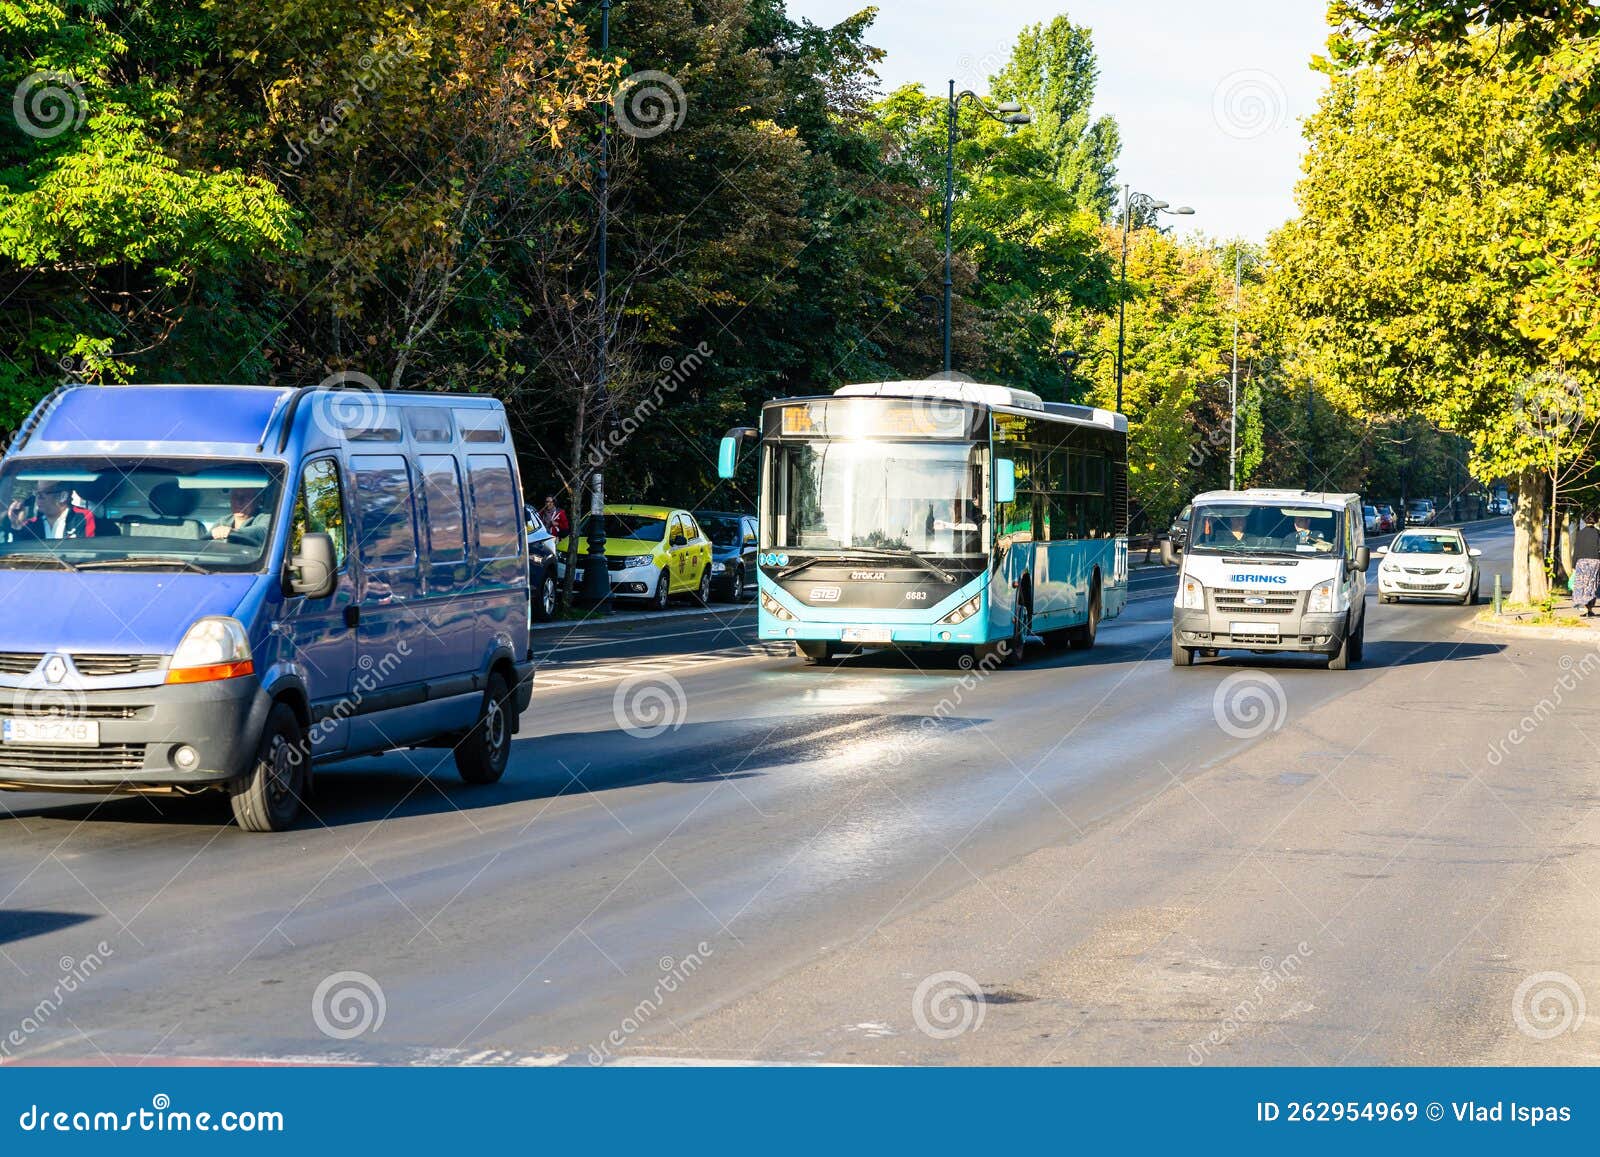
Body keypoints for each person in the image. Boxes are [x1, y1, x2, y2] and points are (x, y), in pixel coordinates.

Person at [7, 482, 95, 540]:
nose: (37, 499)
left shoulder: (81, 517)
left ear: (62, 496)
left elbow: (86, 551)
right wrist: (17, 524)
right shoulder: (31, 524)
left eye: (41, 495)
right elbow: (19, 554)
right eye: (36, 494)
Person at [1573, 512, 1600, 618]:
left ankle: (1584, 608)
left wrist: (1573, 564)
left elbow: (1577, 549)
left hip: (1581, 561)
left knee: (1582, 584)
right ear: (1596, 520)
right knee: (1592, 584)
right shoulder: (1598, 533)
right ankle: (1589, 609)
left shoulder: (1580, 533)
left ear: (1585, 520)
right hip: (1595, 561)